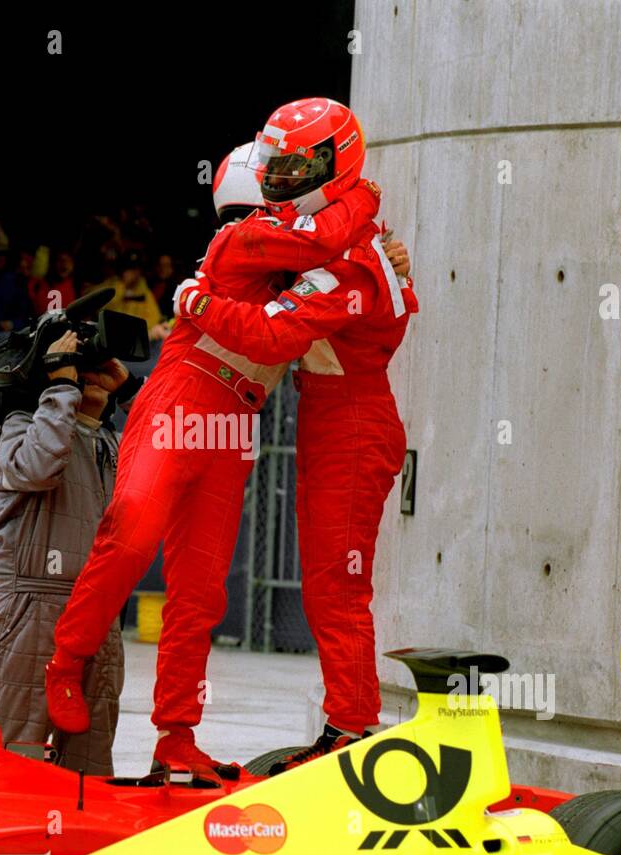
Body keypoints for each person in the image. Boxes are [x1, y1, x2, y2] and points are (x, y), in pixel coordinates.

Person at [43, 130, 394, 782]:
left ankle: (176, 737)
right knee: (132, 528)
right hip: (187, 392)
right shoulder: (248, 240)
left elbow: (344, 276)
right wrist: (364, 196)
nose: (285, 216)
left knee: (200, 593)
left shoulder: (298, 263)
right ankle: (65, 663)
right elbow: (322, 242)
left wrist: (382, 258)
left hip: (235, 418)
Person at [172, 97, 418, 773]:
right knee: (327, 583)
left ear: (333, 164)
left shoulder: (349, 258)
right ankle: (349, 722)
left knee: (337, 586)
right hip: (334, 414)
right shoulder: (343, 230)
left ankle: (351, 727)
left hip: (354, 421)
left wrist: (195, 299)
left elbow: (274, 332)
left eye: (292, 166)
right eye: (274, 164)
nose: (277, 181)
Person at [0, 331, 144, 776]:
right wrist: (62, 389)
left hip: (97, 613)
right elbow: (38, 465)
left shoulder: (112, 442)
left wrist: (128, 389)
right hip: (28, 605)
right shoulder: (15, 429)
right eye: (74, 367)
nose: (85, 376)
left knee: (90, 768)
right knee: (17, 755)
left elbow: (171, 447)